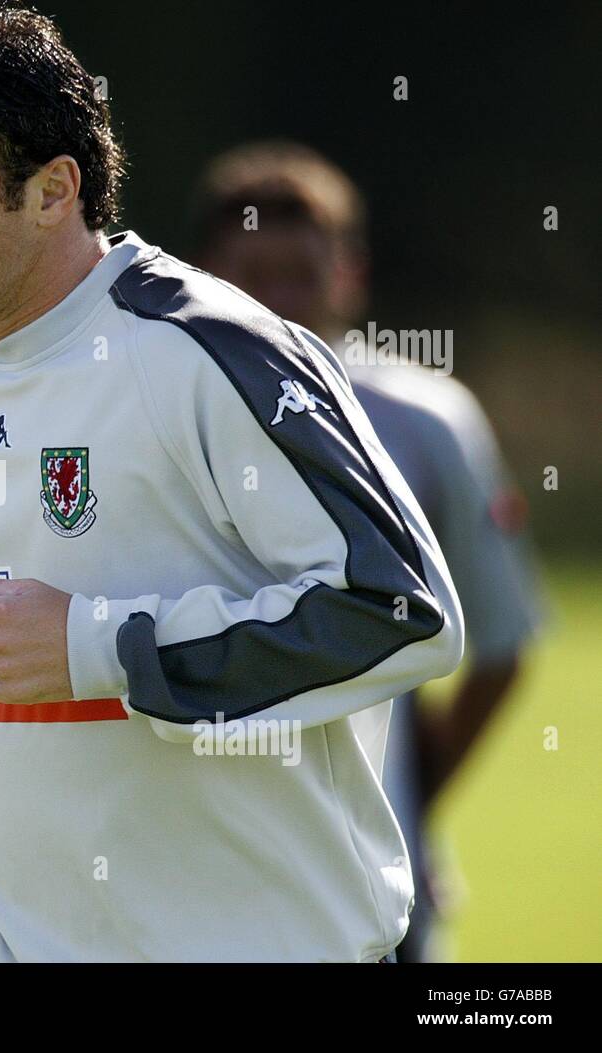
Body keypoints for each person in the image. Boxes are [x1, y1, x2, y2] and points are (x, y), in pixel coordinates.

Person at [0, 7, 464, 962]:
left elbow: (401, 612)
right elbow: (50, 650)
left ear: (53, 190)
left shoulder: (209, 348)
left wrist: (100, 646)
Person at [189, 140, 542, 961]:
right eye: (254, 272)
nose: (279, 298)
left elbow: (501, 642)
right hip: (194, 869)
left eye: (301, 274)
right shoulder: (142, 417)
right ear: (202, 270)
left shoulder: (426, 422)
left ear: (349, 271)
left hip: (365, 884)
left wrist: (409, 804)